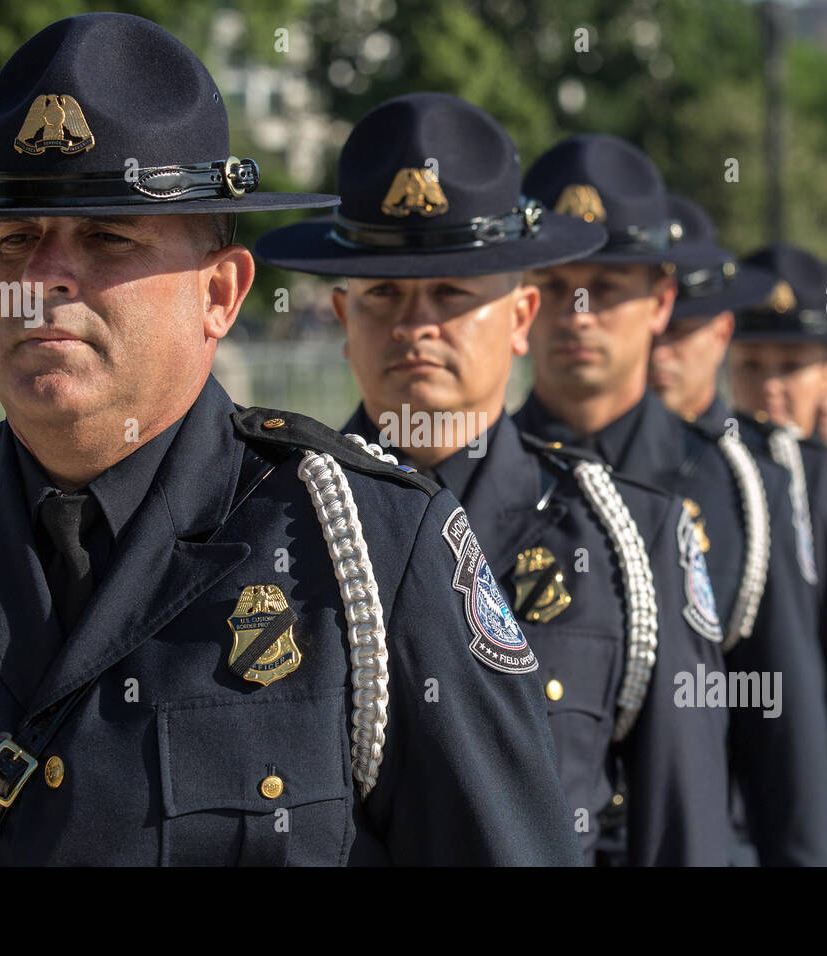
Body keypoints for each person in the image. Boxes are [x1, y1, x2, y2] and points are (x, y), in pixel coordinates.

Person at [0, 13, 582, 867]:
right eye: (16, 239)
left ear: (221, 294)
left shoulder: (373, 557)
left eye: (107, 236)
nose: (45, 277)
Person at [254, 93, 730, 865]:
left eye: (451, 294)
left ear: (520, 318)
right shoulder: (257, 529)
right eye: (383, 295)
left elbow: (681, 834)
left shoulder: (629, 545)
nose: (415, 327)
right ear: (343, 319)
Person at [514, 135, 827, 866]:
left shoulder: (736, 483)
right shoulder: (466, 484)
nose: (579, 314)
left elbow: (783, 735)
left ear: (662, 301)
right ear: (520, 296)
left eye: (608, 288)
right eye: (558, 286)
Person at [655, 227, 827, 867]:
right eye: (755, 367)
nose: (771, 389)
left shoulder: (815, 478)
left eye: (791, 366)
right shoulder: (720, 471)